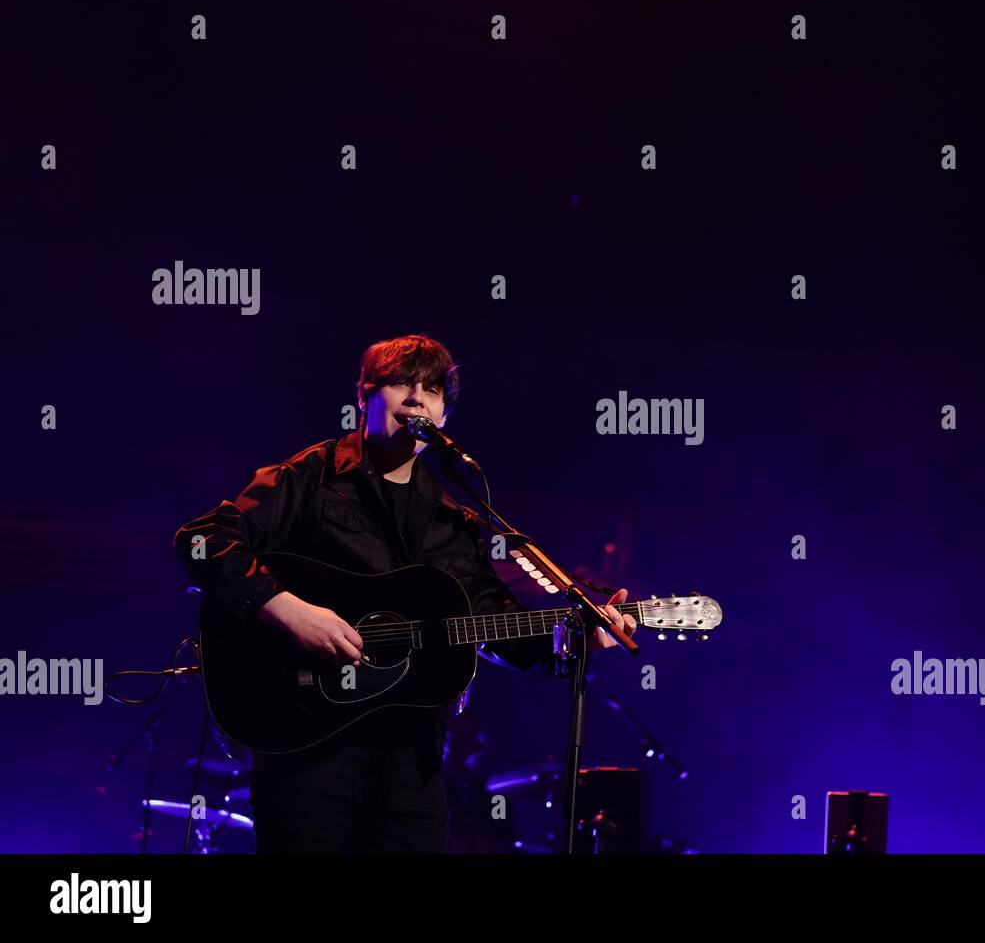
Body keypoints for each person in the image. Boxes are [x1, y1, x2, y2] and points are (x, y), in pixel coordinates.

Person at [172, 333, 637, 852]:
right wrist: (289, 611)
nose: (416, 397)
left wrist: (576, 642)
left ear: (442, 415)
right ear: (364, 397)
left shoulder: (454, 520)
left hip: (413, 757)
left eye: (432, 389)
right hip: (308, 742)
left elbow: (496, 624)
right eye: (400, 383)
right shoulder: (310, 477)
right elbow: (199, 543)